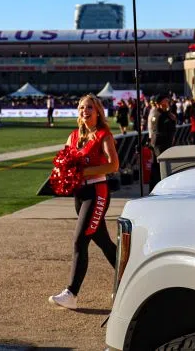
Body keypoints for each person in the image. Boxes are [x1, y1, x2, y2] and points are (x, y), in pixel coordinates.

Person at [49, 94, 120, 311]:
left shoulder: (103, 135)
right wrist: (63, 173)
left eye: (89, 107)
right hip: (80, 194)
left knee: (80, 240)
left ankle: (71, 293)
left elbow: (113, 165)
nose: (85, 111)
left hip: (97, 192)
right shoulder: (73, 136)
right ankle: (129, 277)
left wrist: (83, 171)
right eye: (81, 107)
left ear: (98, 111)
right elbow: (64, 162)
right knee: (104, 242)